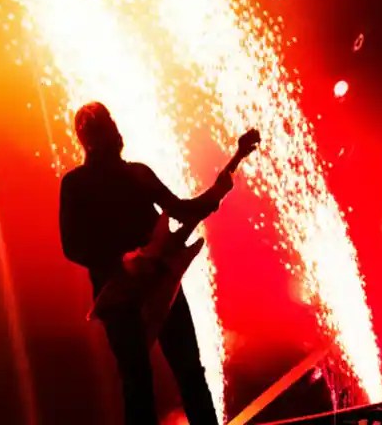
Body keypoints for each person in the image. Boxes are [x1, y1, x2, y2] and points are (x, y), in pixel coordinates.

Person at [59, 102, 257, 425]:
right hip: (123, 293)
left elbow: (183, 210)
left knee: (177, 373)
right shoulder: (76, 184)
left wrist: (234, 162)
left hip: (159, 283)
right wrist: (120, 261)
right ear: (91, 137)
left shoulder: (136, 173)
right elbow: (72, 245)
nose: (115, 128)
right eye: (107, 124)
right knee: (146, 380)